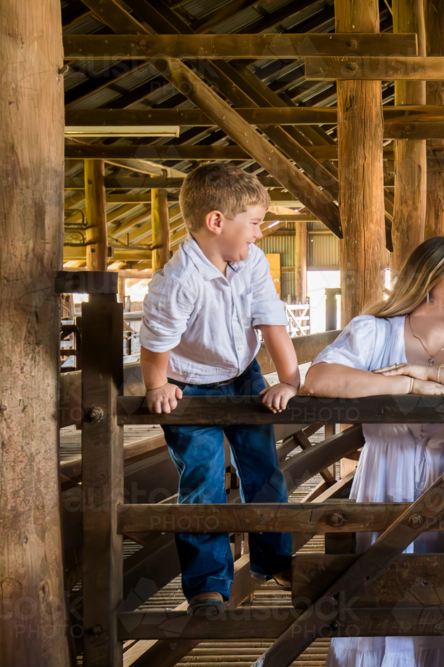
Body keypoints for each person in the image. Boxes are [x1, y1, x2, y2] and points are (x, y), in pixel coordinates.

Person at [301, 236, 444, 667]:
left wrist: (430, 371)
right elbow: (323, 378)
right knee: (381, 589)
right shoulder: (374, 332)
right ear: (430, 275)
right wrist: (405, 385)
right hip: (386, 477)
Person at [139, 162, 299, 614]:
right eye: (253, 223)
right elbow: (156, 346)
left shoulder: (250, 264)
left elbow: (271, 322)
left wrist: (288, 380)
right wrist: (157, 386)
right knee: (203, 478)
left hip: (244, 376)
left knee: (263, 469)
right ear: (216, 222)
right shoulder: (178, 281)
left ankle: (275, 558)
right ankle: (208, 584)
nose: (259, 233)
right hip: (190, 387)